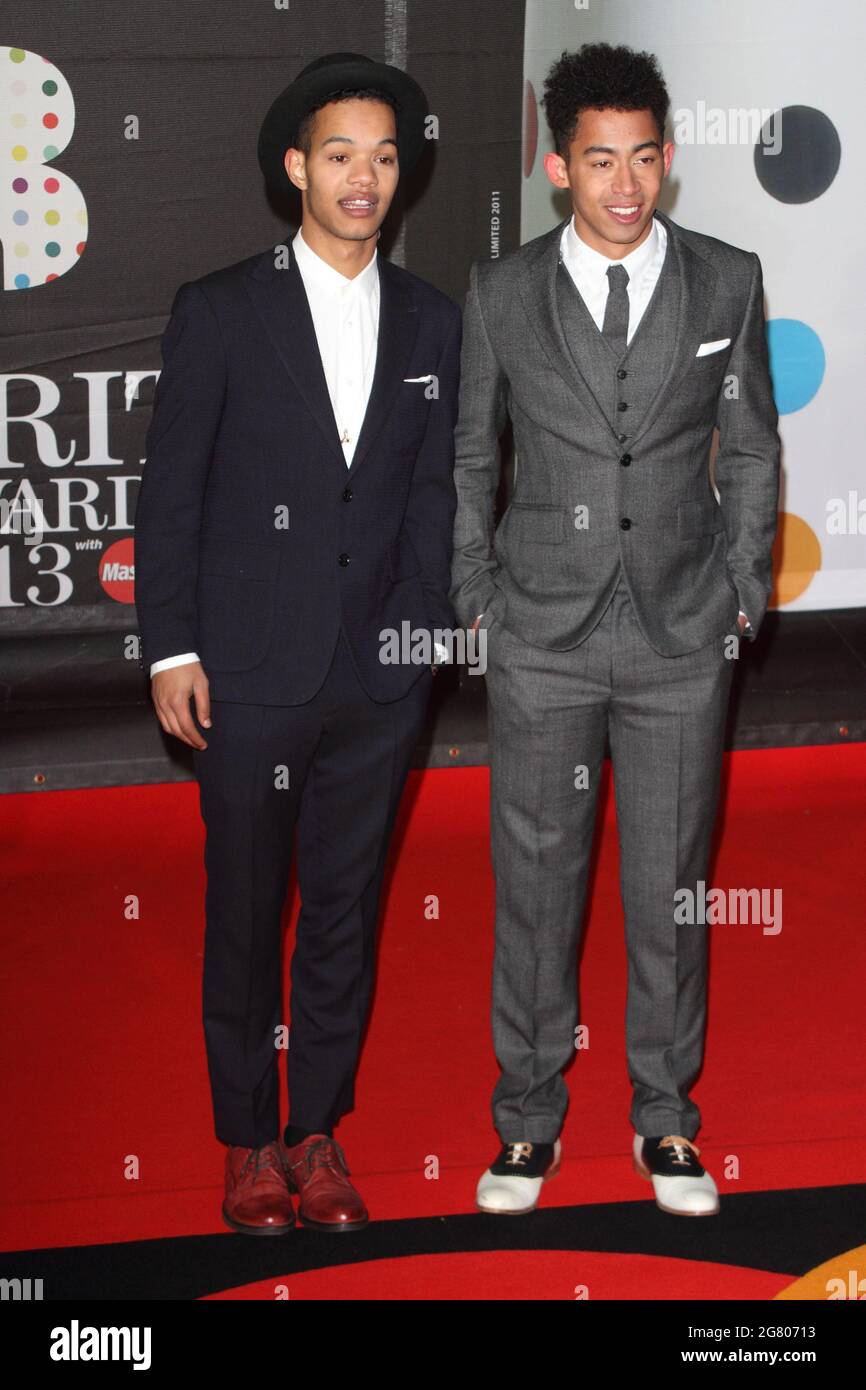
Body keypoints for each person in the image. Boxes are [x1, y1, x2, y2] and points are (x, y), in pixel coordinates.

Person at [450, 42, 780, 1217]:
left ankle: (664, 1118)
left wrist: (744, 583)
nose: (625, 181)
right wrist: (475, 597)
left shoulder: (725, 280)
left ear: (666, 158)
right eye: (599, 160)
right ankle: (527, 1118)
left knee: (671, 886)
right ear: (557, 167)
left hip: (683, 633)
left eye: (643, 156)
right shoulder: (499, 293)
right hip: (539, 629)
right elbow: (472, 458)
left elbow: (745, 445)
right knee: (535, 885)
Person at [134, 52, 461, 1235]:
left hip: (377, 679)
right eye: (338, 155)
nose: (363, 176)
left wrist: (422, 634)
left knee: (342, 912)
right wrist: (169, 646)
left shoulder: (432, 318)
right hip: (249, 674)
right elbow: (171, 496)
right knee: (243, 907)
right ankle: (244, 1140)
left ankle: (316, 1135)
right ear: (294, 168)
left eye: (383, 155)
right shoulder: (221, 307)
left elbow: (433, 496)